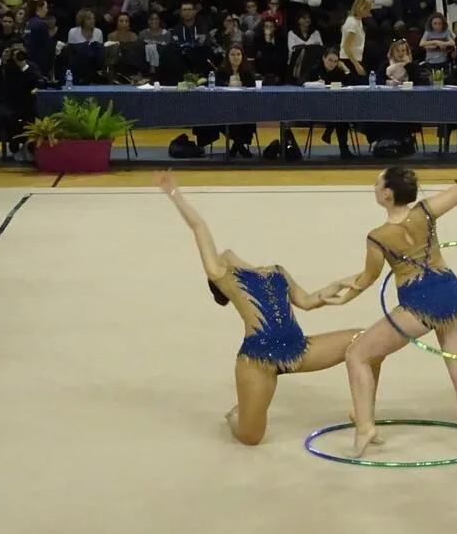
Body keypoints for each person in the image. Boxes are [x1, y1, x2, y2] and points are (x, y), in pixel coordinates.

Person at [324, 148, 457, 457]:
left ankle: (365, 426)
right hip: (453, 295)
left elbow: (368, 278)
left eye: (377, 184)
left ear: (387, 195)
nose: (374, 187)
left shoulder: (378, 237)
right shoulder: (425, 211)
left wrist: (342, 295)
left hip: (419, 304)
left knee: (357, 353)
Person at [155, 170, 380, 446]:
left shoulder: (277, 271)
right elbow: (199, 227)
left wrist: (336, 286)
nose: (222, 252)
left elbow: (307, 301)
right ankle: (236, 415)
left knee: (368, 342)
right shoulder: (224, 275)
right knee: (252, 437)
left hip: (300, 350)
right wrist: (174, 193)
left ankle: (362, 414)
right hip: (259, 360)